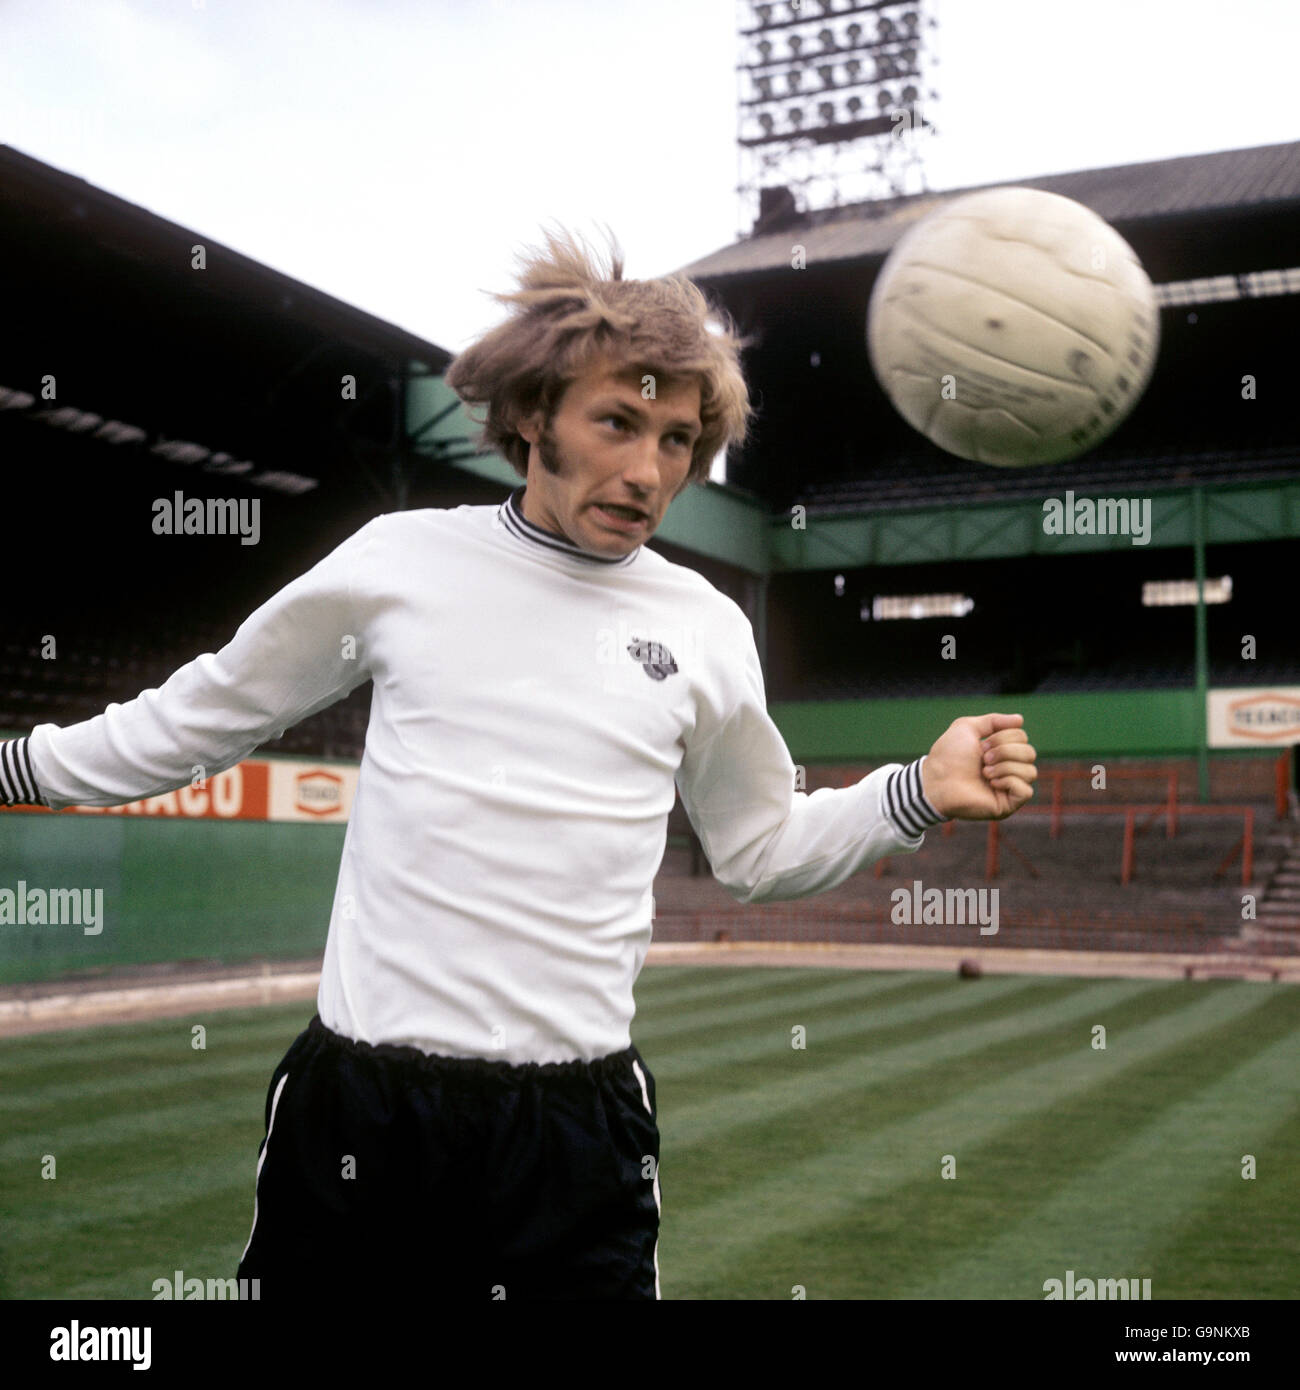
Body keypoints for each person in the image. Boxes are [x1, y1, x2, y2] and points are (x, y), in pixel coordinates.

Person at [0, 227, 1037, 1300]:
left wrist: (912, 793)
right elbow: (204, 714)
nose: (646, 472)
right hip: (364, 1113)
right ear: (536, 415)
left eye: (677, 440)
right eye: (617, 423)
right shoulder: (402, 564)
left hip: (574, 1135)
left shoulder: (705, 627)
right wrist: (13, 765)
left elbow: (759, 848)